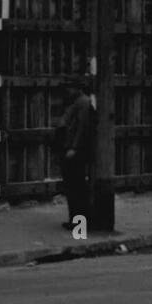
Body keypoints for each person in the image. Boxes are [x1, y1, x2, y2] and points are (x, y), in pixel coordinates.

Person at [57, 80, 94, 229]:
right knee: (72, 187)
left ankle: (79, 223)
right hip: (70, 148)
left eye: (70, 87)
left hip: (75, 151)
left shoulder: (83, 102)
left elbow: (81, 127)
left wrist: (74, 147)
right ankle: (75, 220)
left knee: (76, 187)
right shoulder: (76, 102)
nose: (67, 91)